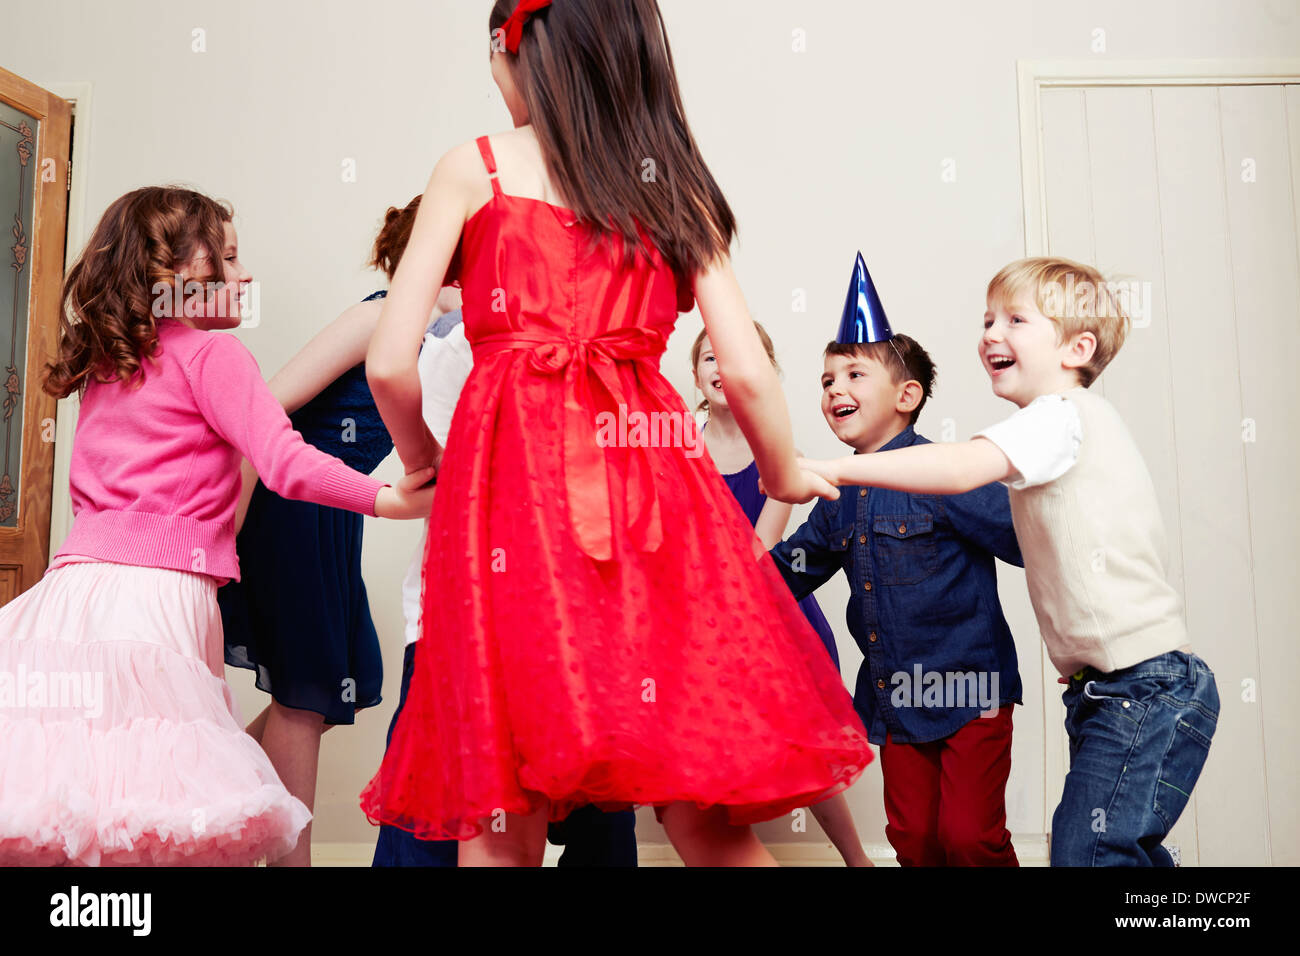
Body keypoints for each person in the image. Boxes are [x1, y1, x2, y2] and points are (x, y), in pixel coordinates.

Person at [360, 0, 870, 867]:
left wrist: (424, 465)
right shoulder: (673, 180)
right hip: (653, 489)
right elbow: (745, 370)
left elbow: (387, 363)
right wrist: (782, 471)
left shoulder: (471, 168)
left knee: (502, 807)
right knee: (703, 813)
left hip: (505, 499)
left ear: (521, 51)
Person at [0, 186, 434, 865]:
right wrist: (388, 499)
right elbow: (285, 460)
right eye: (230, 260)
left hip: (75, 589)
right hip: (164, 596)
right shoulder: (215, 358)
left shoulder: (109, 365)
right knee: (162, 797)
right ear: (179, 280)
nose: (247, 276)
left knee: (92, 781)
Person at [795, 256, 1219, 866]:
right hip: (1104, 687)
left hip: (1144, 685)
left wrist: (828, 468)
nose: (991, 332)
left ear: (1077, 348)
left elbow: (961, 469)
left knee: (1087, 851)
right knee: (1099, 847)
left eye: (1015, 319)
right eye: (988, 319)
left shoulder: (1060, 417)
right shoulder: (1046, 437)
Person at [216, 197, 458, 866]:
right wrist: (223, 537)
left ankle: (200, 800)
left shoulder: (444, 340)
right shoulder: (379, 315)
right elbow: (260, 412)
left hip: (337, 512)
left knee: (318, 694)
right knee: (305, 692)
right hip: (293, 504)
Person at [768, 300, 1024, 865]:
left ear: (906, 397)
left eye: (855, 374)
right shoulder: (839, 497)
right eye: (828, 379)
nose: (836, 387)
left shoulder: (948, 472)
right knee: (913, 840)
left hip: (972, 690)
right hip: (898, 698)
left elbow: (1028, 542)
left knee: (968, 837)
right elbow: (788, 574)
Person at [691, 324, 871, 867]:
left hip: (765, 613)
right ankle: (721, 853)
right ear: (695, 373)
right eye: (707, 357)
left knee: (805, 747)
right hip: (696, 614)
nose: (721, 366)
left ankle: (858, 860)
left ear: (762, 370)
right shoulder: (679, 443)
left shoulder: (776, 449)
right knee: (708, 742)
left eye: (735, 356)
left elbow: (760, 547)